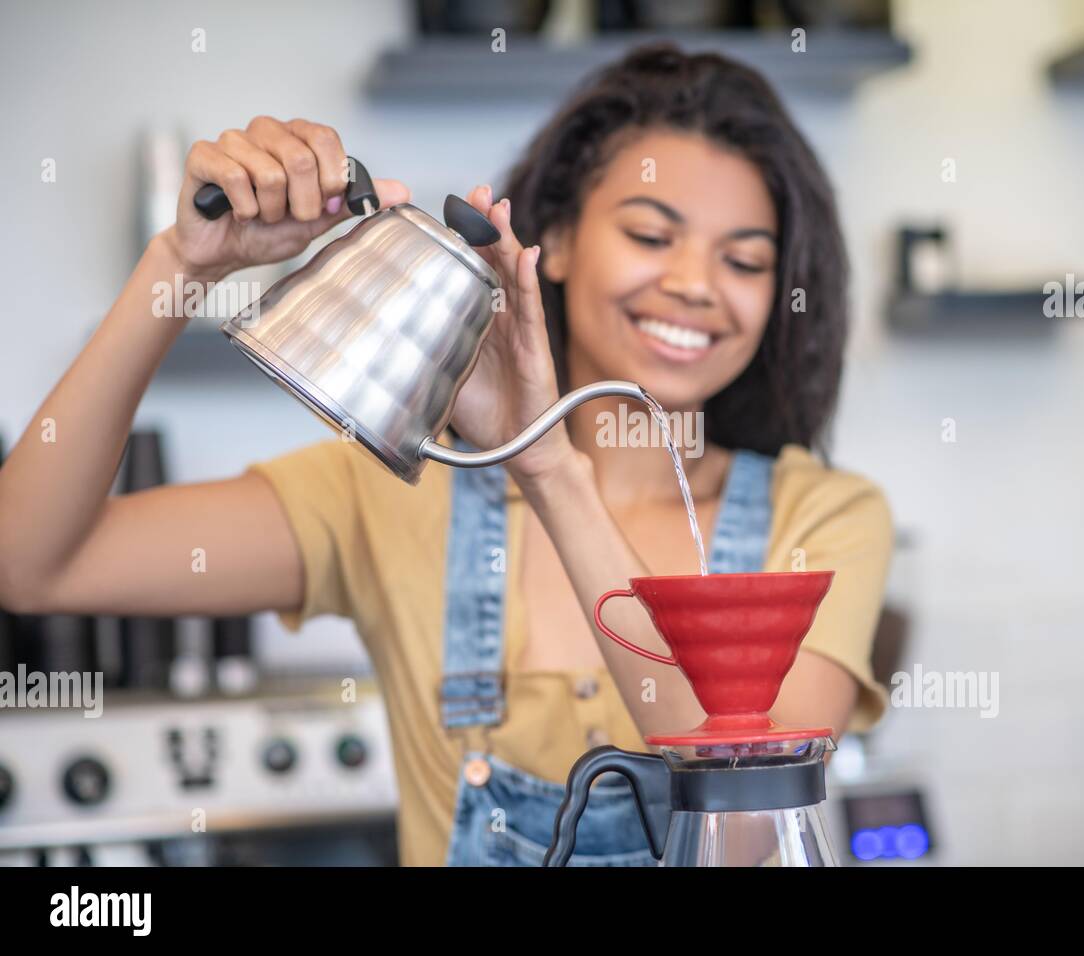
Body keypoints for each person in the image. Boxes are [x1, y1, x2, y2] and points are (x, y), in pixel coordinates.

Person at [0, 43, 892, 866]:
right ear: (565, 242)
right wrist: (178, 268)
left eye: (744, 260)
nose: (696, 284)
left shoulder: (823, 522)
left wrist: (550, 469)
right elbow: (34, 563)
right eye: (652, 237)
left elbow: (738, 829)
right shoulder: (394, 491)